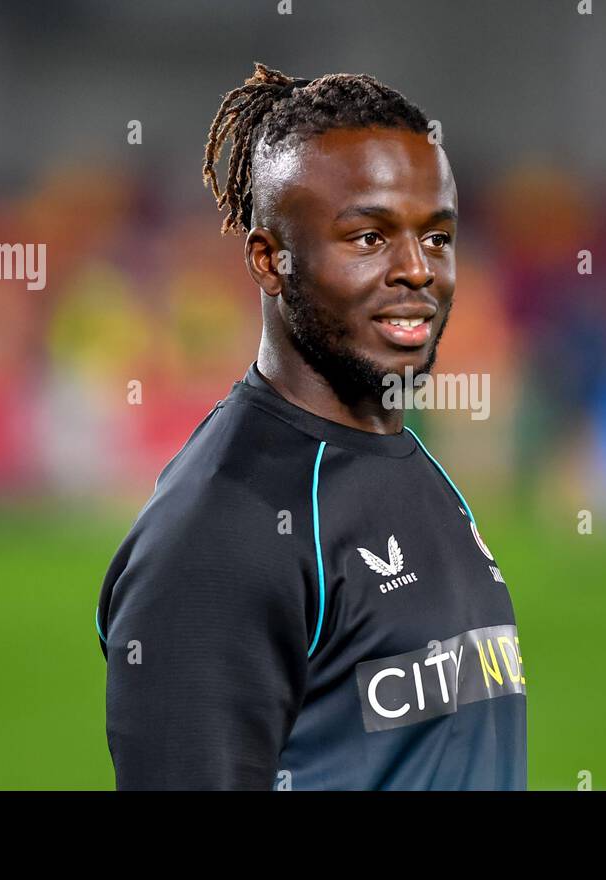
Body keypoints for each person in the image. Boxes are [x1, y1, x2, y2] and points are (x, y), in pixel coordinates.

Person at [95, 63, 526, 790]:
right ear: (270, 261)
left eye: (437, 237)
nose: (417, 270)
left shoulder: (413, 466)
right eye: (369, 237)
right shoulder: (219, 535)